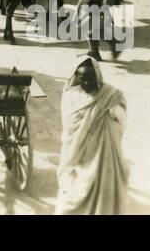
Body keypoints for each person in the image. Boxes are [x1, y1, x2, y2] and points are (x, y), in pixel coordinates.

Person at [55, 57, 128, 215]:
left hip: (102, 157)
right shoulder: (70, 96)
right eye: (83, 79)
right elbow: (68, 129)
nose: (87, 83)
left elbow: (121, 122)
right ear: (77, 78)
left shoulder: (110, 95)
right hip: (77, 157)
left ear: (98, 76)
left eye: (91, 79)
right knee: (70, 198)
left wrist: (107, 129)